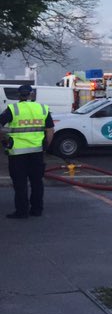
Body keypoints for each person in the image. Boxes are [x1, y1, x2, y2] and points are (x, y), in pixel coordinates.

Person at [1, 84, 55, 219]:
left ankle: (22, 211)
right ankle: (37, 209)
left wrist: (4, 140)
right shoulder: (42, 109)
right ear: (32, 95)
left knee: (20, 183)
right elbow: (50, 130)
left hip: (17, 153)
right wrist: (46, 146)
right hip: (37, 152)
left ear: (19, 95)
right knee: (37, 182)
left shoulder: (13, 109)